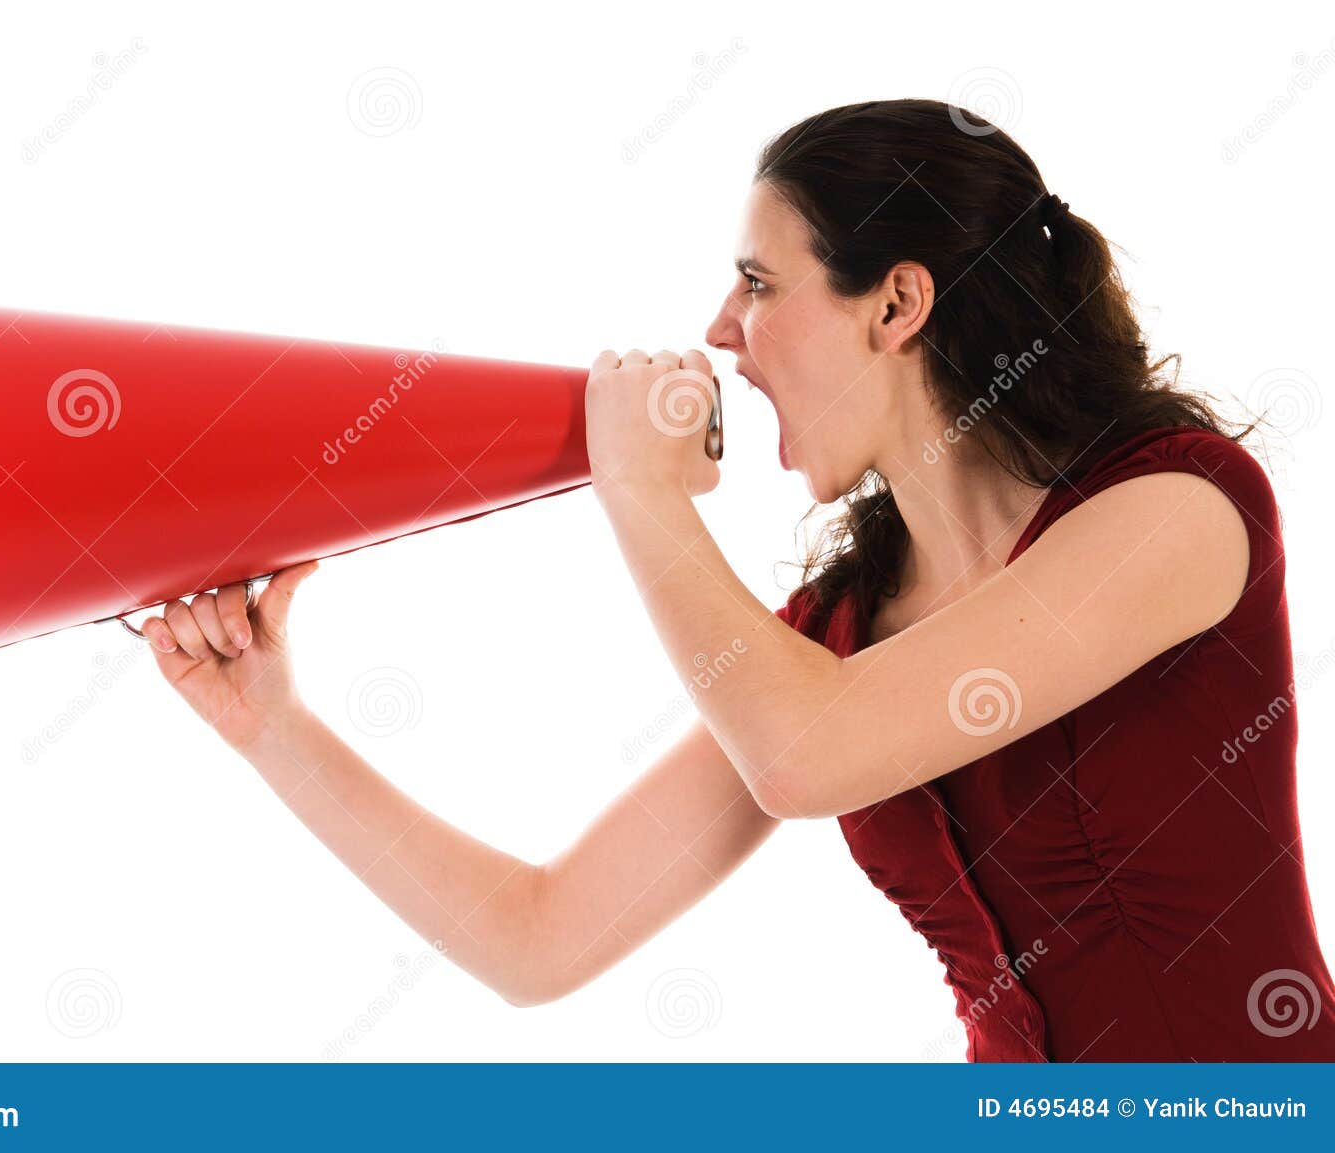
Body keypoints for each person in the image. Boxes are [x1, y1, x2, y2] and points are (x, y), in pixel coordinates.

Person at [138, 99, 1334, 1061]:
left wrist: (643, 493)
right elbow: (539, 939)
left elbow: (803, 754)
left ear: (898, 303)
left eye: (758, 284)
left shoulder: (1177, 509)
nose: (719, 329)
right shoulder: (830, 638)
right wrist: (272, 726)